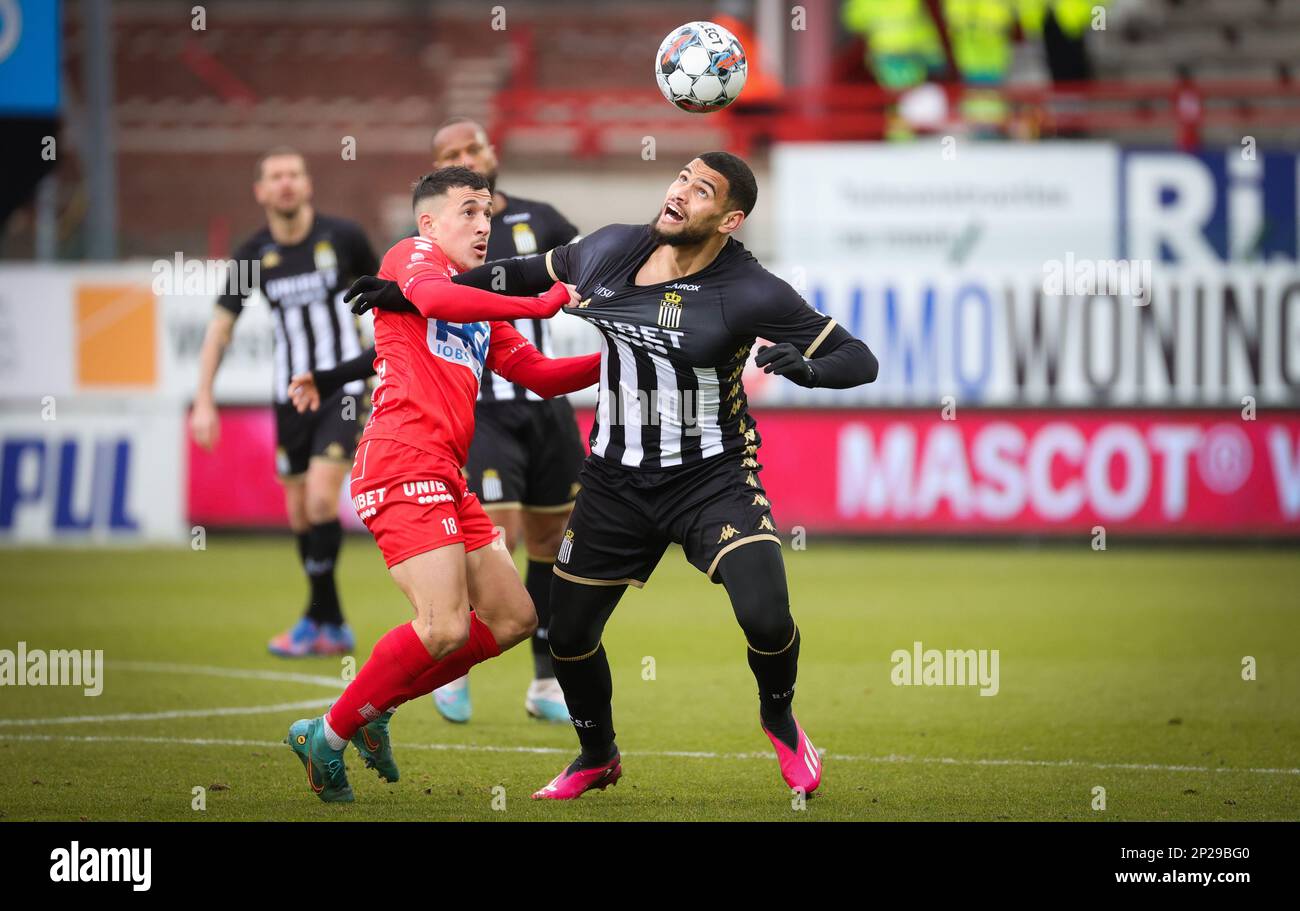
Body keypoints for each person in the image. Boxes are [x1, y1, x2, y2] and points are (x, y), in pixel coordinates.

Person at [348, 152, 879, 800]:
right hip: (613, 482)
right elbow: (514, 273)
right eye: (681, 176)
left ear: (729, 219)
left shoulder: (751, 290)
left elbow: (861, 358)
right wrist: (407, 293)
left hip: (712, 475)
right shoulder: (608, 251)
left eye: (702, 189)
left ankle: (779, 717)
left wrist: (810, 368)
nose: (681, 190)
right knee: (566, 634)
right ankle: (597, 755)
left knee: (766, 615)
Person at [284, 167, 600, 802]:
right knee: (444, 626)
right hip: (400, 462)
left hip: (444, 474)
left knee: (513, 617)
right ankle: (328, 734)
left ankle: (372, 708)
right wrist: (538, 301)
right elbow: (432, 301)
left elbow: (539, 374)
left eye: (487, 213)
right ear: (430, 222)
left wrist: (624, 359)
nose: (483, 226)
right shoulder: (413, 257)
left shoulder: (476, 300)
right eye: (468, 212)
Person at [426, 118, 586, 724]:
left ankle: (545, 681)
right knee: (497, 539)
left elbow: (590, 275)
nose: (469, 157)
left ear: (493, 152)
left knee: (554, 542)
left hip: (546, 406)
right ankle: (454, 664)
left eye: (475, 147)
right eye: (453, 154)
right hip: (483, 408)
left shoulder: (543, 219)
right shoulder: (432, 242)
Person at [190, 147, 377, 658]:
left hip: (343, 386)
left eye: (295, 174)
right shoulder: (253, 255)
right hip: (289, 395)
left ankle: (324, 623)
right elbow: (221, 327)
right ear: (261, 191)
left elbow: (388, 297)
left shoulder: (344, 238)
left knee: (320, 497)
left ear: (308, 184)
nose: (287, 183)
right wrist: (204, 399)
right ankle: (327, 621)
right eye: (276, 177)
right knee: (298, 513)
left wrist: (386, 363)